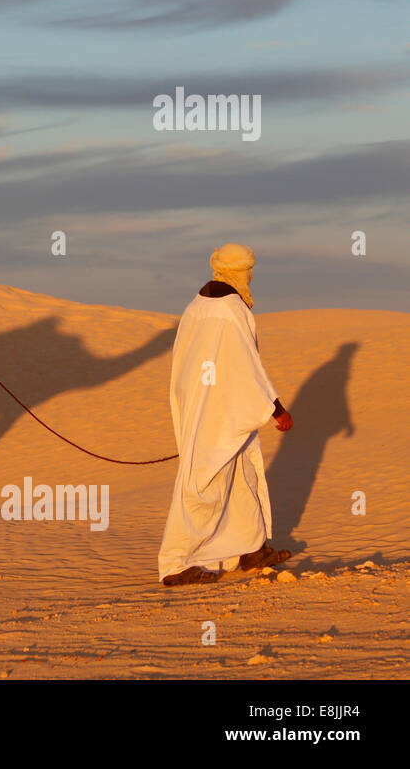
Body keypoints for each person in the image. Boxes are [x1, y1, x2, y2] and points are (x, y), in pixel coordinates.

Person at [158, 243, 295, 586]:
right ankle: (175, 563)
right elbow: (247, 364)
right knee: (203, 481)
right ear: (238, 272)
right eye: (248, 270)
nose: (250, 276)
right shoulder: (231, 308)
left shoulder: (197, 305)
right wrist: (275, 407)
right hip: (218, 407)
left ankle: (250, 548)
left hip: (209, 402)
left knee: (242, 473)